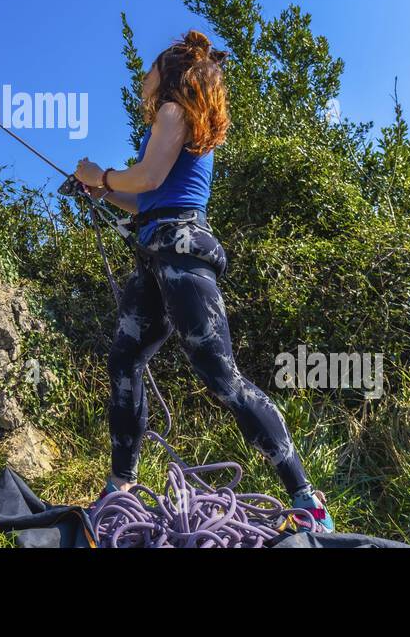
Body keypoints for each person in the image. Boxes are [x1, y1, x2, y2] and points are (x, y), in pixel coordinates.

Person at [74, 29, 335, 530]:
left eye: (148, 71)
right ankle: (118, 489)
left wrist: (101, 174)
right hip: (158, 253)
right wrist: (102, 192)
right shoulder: (173, 122)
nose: (143, 79)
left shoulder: (173, 112)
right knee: (125, 361)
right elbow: (147, 199)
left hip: (181, 253)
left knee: (222, 377)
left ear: (169, 76)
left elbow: (146, 179)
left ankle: (307, 498)